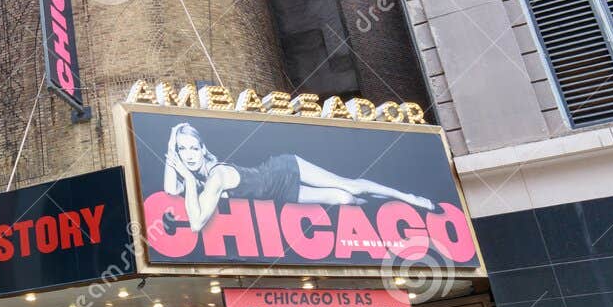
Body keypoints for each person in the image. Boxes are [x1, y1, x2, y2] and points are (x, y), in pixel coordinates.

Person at [163, 120, 435, 235]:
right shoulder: (197, 174)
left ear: (202, 148)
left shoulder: (215, 175)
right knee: (344, 199)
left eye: (193, 148)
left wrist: (187, 179)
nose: (189, 155)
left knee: (348, 185)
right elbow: (170, 189)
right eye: (182, 150)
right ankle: (387, 205)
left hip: (283, 169)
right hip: (279, 193)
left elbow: (197, 224)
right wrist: (171, 149)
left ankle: (408, 197)